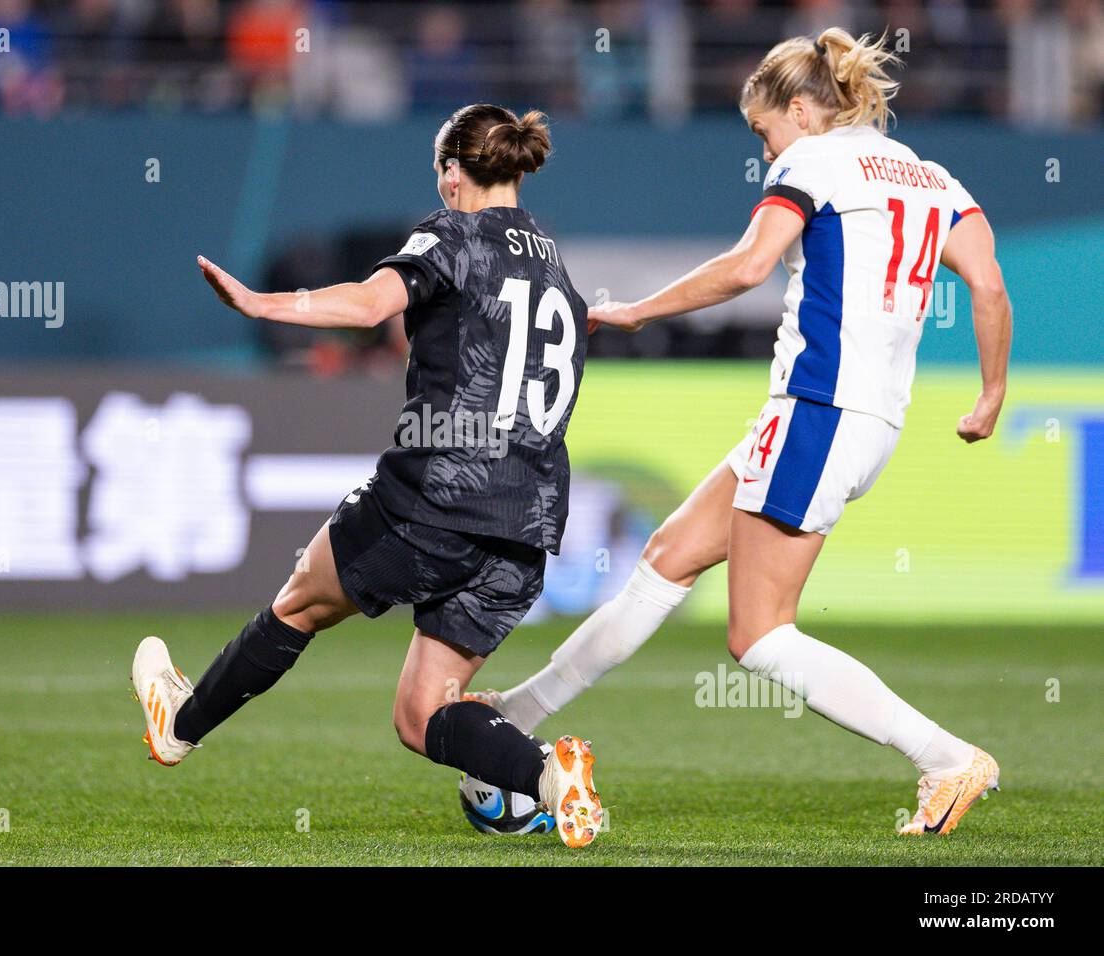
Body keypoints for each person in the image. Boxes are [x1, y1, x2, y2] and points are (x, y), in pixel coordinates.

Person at [472, 29, 1012, 837]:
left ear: (799, 110)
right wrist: (991, 394)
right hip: (857, 420)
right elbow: (991, 286)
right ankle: (517, 711)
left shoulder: (813, 162)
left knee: (758, 634)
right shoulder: (934, 177)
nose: (764, 151)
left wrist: (637, 308)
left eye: (763, 132)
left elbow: (749, 265)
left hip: (818, 414)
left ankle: (943, 757)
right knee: (667, 555)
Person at [131, 105, 603, 847]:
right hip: (529, 521)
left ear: (453, 172)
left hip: (438, 495)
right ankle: (549, 775)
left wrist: (265, 305)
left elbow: (368, 302)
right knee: (424, 714)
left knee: (297, 606)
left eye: (441, 169)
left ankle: (179, 725)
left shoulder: (452, 234)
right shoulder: (554, 261)